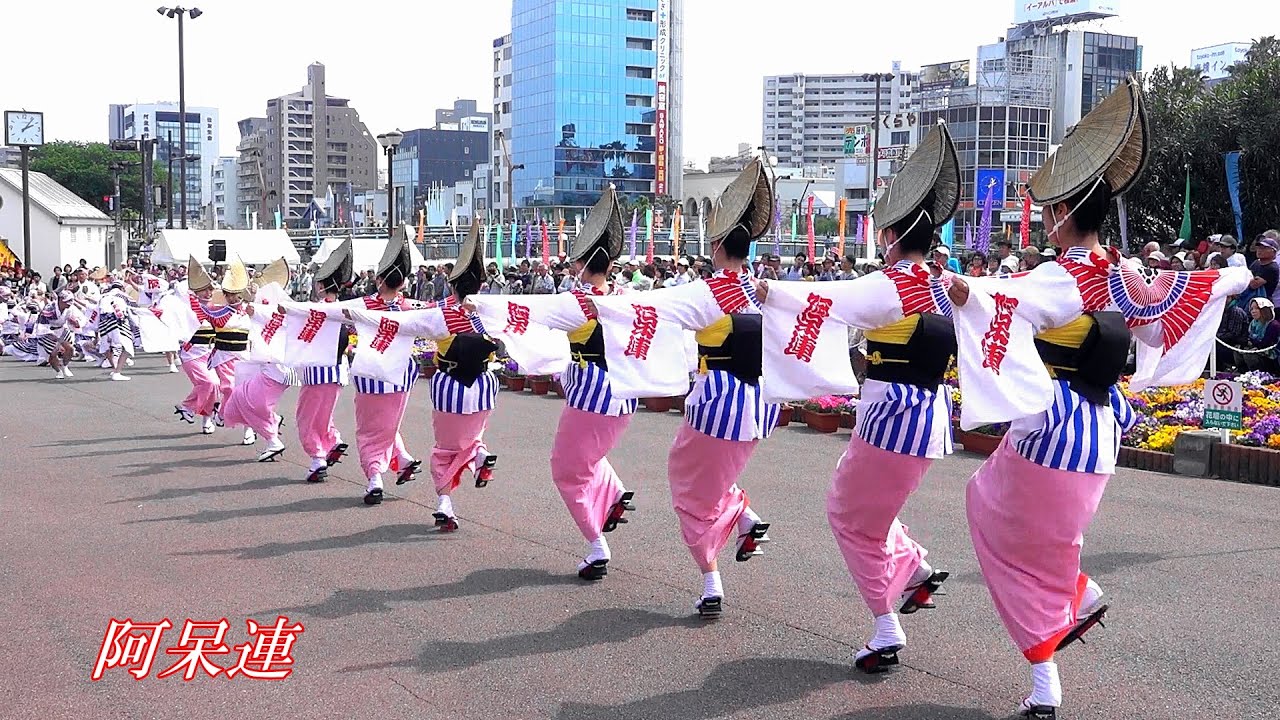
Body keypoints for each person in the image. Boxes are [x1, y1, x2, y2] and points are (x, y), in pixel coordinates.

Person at [946, 77, 1251, 719]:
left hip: (1052, 430)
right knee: (1051, 539)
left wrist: (960, 289)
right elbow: (1167, 315)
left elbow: (1005, 301)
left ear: (1062, 215)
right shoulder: (1124, 273)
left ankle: (1050, 659)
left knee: (990, 514)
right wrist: (1232, 276)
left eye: (1053, 211)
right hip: (1104, 429)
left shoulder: (1058, 277)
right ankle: (1073, 595)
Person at [761, 122, 960, 674]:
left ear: (893, 234)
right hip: (930, 417)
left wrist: (768, 291)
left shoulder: (890, 284)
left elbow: (825, 299)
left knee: (850, 517)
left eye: (883, 230)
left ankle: (885, 623)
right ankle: (914, 568)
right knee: (874, 511)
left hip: (891, 415)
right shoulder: (945, 284)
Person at [584, 159, 777, 617]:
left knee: (688, 489)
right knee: (713, 478)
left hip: (717, 403)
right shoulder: (769, 290)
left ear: (716, 246)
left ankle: (712, 580)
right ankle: (743, 517)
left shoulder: (709, 292)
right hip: (760, 406)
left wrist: (604, 305)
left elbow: (650, 307)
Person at [539, 186, 638, 579]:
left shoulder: (575, 302)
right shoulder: (627, 295)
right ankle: (612, 492)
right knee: (589, 455)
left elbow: (532, 316)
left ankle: (597, 545)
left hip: (591, 394)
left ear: (581, 262)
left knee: (566, 470)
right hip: (624, 393)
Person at [344, 231, 431, 505]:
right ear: (404, 281)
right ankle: (402, 459)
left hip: (371, 375)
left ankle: (375, 477)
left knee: (370, 429)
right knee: (386, 423)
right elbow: (440, 314)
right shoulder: (412, 307)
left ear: (379, 280)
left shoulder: (364, 305)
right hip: (401, 376)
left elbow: (327, 313)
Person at [423, 221, 500, 531]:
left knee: (444, 449)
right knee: (474, 436)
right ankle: (480, 456)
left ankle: (445, 503)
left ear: (452, 284)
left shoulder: (438, 309)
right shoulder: (492, 310)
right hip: (483, 385)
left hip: (449, 386)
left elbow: (403, 322)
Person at [215, 259, 293, 462]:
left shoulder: (279, 311)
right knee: (242, 401)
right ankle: (272, 426)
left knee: (245, 401)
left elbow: (275, 317)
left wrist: (256, 308)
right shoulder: (254, 309)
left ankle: (272, 438)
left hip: (276, 368)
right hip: (258, 364)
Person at [295, 239, 353, 483]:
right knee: (323, 415)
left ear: (320, 286)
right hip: (339, 372)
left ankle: (318, 457)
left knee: (306, 418)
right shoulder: (346, 308)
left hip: (317, 371)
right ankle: (333, 441)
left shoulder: (313, 309)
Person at [199, 258, 257, 445]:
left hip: (245, 357)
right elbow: (204, 311)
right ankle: (221, 412)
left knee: (247, 393)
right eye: (228, 294)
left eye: (235, 294)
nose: (232, 297)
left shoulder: (250, 310)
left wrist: (256, 296)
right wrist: (197, 294)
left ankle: (249, 429)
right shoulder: (220, 312)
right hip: (223, 356)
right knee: (230, 388)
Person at [174, 259, 221, 434]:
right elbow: (178, 289)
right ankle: (186, 406)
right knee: (207, 383)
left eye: (211, 289)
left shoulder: (216, 307)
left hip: (209, 353)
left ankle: (206, 419)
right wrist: (194, 277)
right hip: (191, 353)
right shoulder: (187, 306)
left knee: (214, 385)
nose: (209, 292)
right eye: (204, 288)